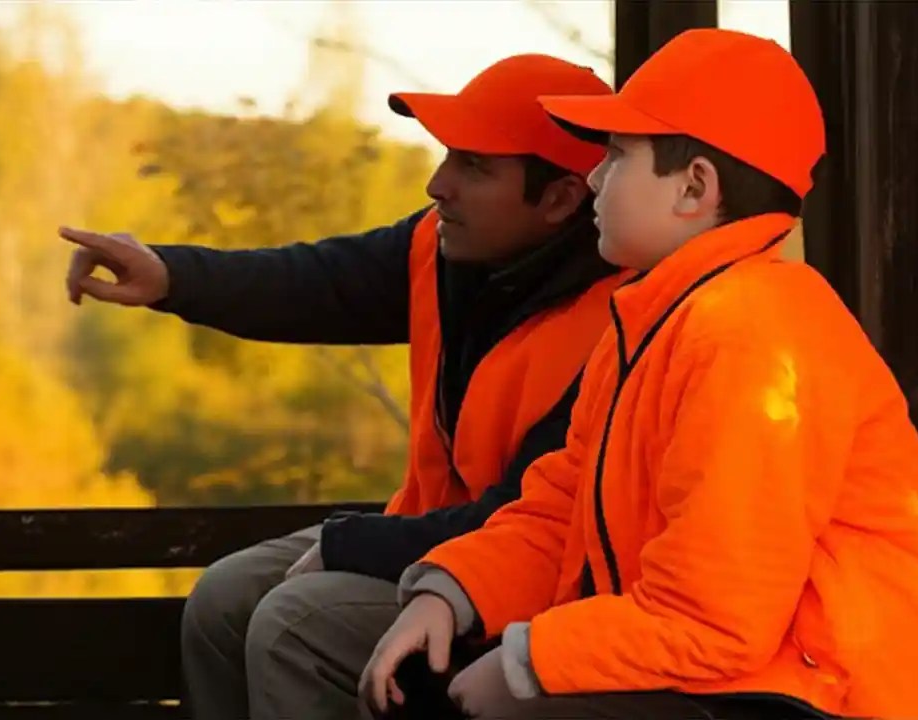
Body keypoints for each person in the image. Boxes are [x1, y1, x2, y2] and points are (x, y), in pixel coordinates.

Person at [360, 28, 918, 720]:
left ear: (694, 188)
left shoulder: (750, 332)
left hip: (823, 700)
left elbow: (716, 621)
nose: (592, 176)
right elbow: (562, 509)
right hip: (736, 680)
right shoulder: (657, 320)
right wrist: (454, 589)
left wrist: (529, 659)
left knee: (498, 703)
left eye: (617, 156)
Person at [59, 54, 625, 720]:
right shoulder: (444, 249)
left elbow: (534, 523)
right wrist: (170, 277)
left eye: (474, 167)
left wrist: (348, 542)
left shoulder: (621, 325)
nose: (437, 186)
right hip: (431, 537)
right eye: (448, 157)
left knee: (295, 624)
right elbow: (315, 282)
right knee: (223, 598)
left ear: (560, 198)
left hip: (528, 586)